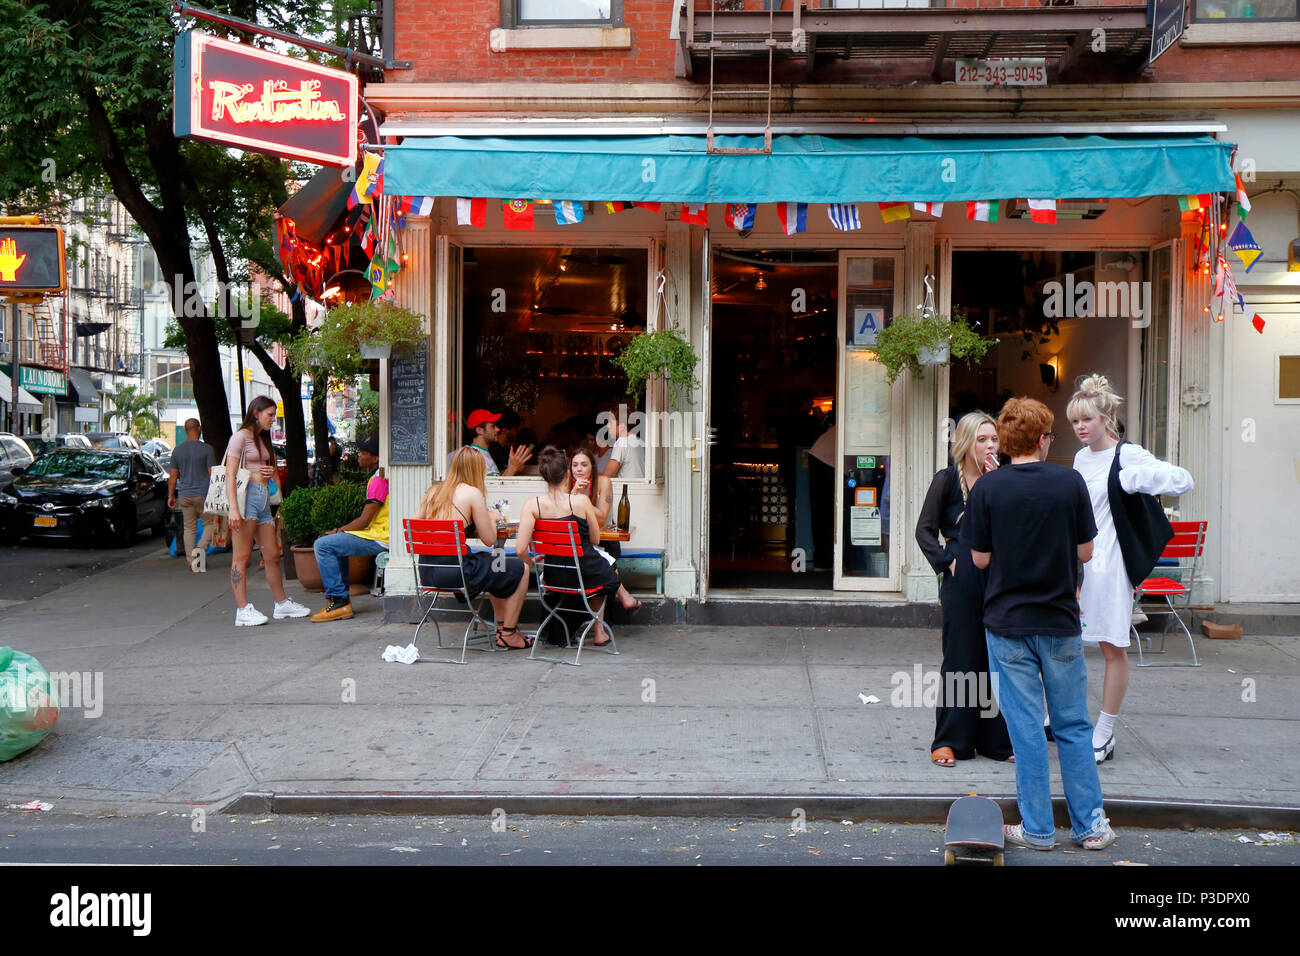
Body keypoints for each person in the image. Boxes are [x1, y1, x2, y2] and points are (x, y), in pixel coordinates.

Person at [961, 397, 1116, 851]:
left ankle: (1038, 829)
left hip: (1007, 621)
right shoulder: (1069, 482)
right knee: (1072, 724)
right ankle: (1090, 826)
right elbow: (1086, 552)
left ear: (1006, 441)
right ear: (1043, 439)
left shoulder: (989, 490)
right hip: (1060, 619)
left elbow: (979, 558)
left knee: (1025, 728)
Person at [1068, 374, 1193, 763]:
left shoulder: (1128, 455)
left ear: (1106, 417)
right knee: (1064, 644)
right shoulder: (1078, 459)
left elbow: (1183, 480)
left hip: (1110, 563)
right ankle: (1064, 721)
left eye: (1086, 419)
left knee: (1111, 646)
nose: (1080, 428)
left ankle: (1104, 731)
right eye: (1074, 421)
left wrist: (1141, 477)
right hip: (1076, 562)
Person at [915, 412, 1014, 767]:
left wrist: (997, 484)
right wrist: (947, 561)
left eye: (994, 440)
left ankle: (993, 739)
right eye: (983, 439)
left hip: (998, 572)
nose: (990, 446)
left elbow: (1013, 523)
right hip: (962, 573)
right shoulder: (947, 480)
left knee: (995, 654)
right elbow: (924, 529)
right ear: (966, 442)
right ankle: (950, 740)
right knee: (960, 654)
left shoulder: (1003, 479)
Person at [516, 446, 641, 647]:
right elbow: (595, 540)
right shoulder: (581, 501)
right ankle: (601, 626)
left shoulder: (531, 505)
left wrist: (532, 563)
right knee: (606, 568)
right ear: (567, 473)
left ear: (543, 475)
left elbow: (520, 549)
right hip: (583, 574)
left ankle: (577, 627)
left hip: (552, 575)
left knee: (602, 566)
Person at [416, 446, 532, 648]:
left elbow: (416, 525)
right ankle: (509, 633)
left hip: (429, 571)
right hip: (458, 572)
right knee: (520, 568)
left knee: (497, 563)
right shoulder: (472, 493)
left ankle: (501, 627)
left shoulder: (433, 491)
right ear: (475, 470)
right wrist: (492, 517)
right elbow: (489, 539)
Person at [225, 397, 310, 627]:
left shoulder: (262, 439)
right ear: (256, 413)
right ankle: (242, 609)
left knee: (272, 554)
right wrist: (233, 508)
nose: (273, 419)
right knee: (241, 557)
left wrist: (269, 474)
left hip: (263, 500)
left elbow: (268, 470)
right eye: (270, 415)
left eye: (274, 415)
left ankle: (281, 604)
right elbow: (230, 475)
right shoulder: (239, 438)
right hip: (246, 500)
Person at [310, 437, 390, 622]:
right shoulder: (379, 475)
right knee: (334, 545)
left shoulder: (379, 480)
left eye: (363, 453)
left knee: (322, 545)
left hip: (380, 537)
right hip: (380, 533)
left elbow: (364, 521)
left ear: (376, 458)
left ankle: (339, 601)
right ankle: (340, 600)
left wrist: (339, 530)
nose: (359, 457)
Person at [167, 417, 216, 573]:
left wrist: (171, 496)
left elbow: (173, 476)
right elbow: (212, 473)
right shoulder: (207, 449)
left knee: (189, 528)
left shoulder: (177, 451)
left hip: (185, 495)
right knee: (210, 524)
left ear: (184, 429)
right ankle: (199, 555)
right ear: (199, 429)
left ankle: (193, 562)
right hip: (203, 494)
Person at [449, 409, 532, 478]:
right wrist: (512, 468)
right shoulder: (473, 457)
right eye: (493, 426)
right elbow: (491, 491)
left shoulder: (482, 453)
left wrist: (512, 467)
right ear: (479, 430)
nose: (498, 429)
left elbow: (493, 483)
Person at [601, 405, 644, 480]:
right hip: (639, 490)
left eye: (610, 422)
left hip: (627, 491)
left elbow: (606, 477)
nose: (607, 426)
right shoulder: (639, 441)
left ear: (622, 426)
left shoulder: (622, 441)